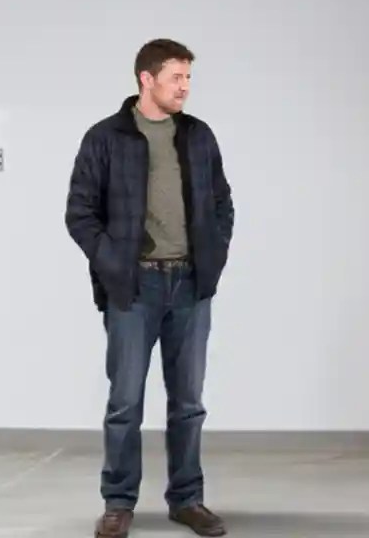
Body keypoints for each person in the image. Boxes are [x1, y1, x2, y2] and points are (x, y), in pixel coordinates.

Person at [65, 38, 234, 538]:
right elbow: (80, 213)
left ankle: (187, 500)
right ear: (147, 78)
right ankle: (118, 503)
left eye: (188, 78)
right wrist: (114, 264)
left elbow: (222, 203)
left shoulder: (199, 136)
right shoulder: (105, 137)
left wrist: (213, 257)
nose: (185, 87)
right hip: (134, 288)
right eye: (176, 77)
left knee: (188, 403)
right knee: (125, 403)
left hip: (190, 286)